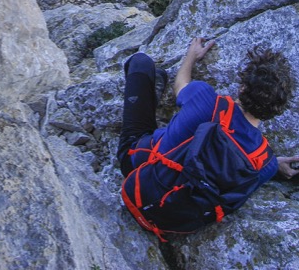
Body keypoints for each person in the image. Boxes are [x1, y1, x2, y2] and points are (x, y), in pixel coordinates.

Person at [117, 38, 298, 237]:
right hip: (177, 218)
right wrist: (276, 164)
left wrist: (191, 57)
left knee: (141, 62)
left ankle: (155, 84)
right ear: (276, 110)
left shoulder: (205, 97)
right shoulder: (266, 164)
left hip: (140, 170)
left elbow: (181, 84)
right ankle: (156, 83)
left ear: (242, 88)